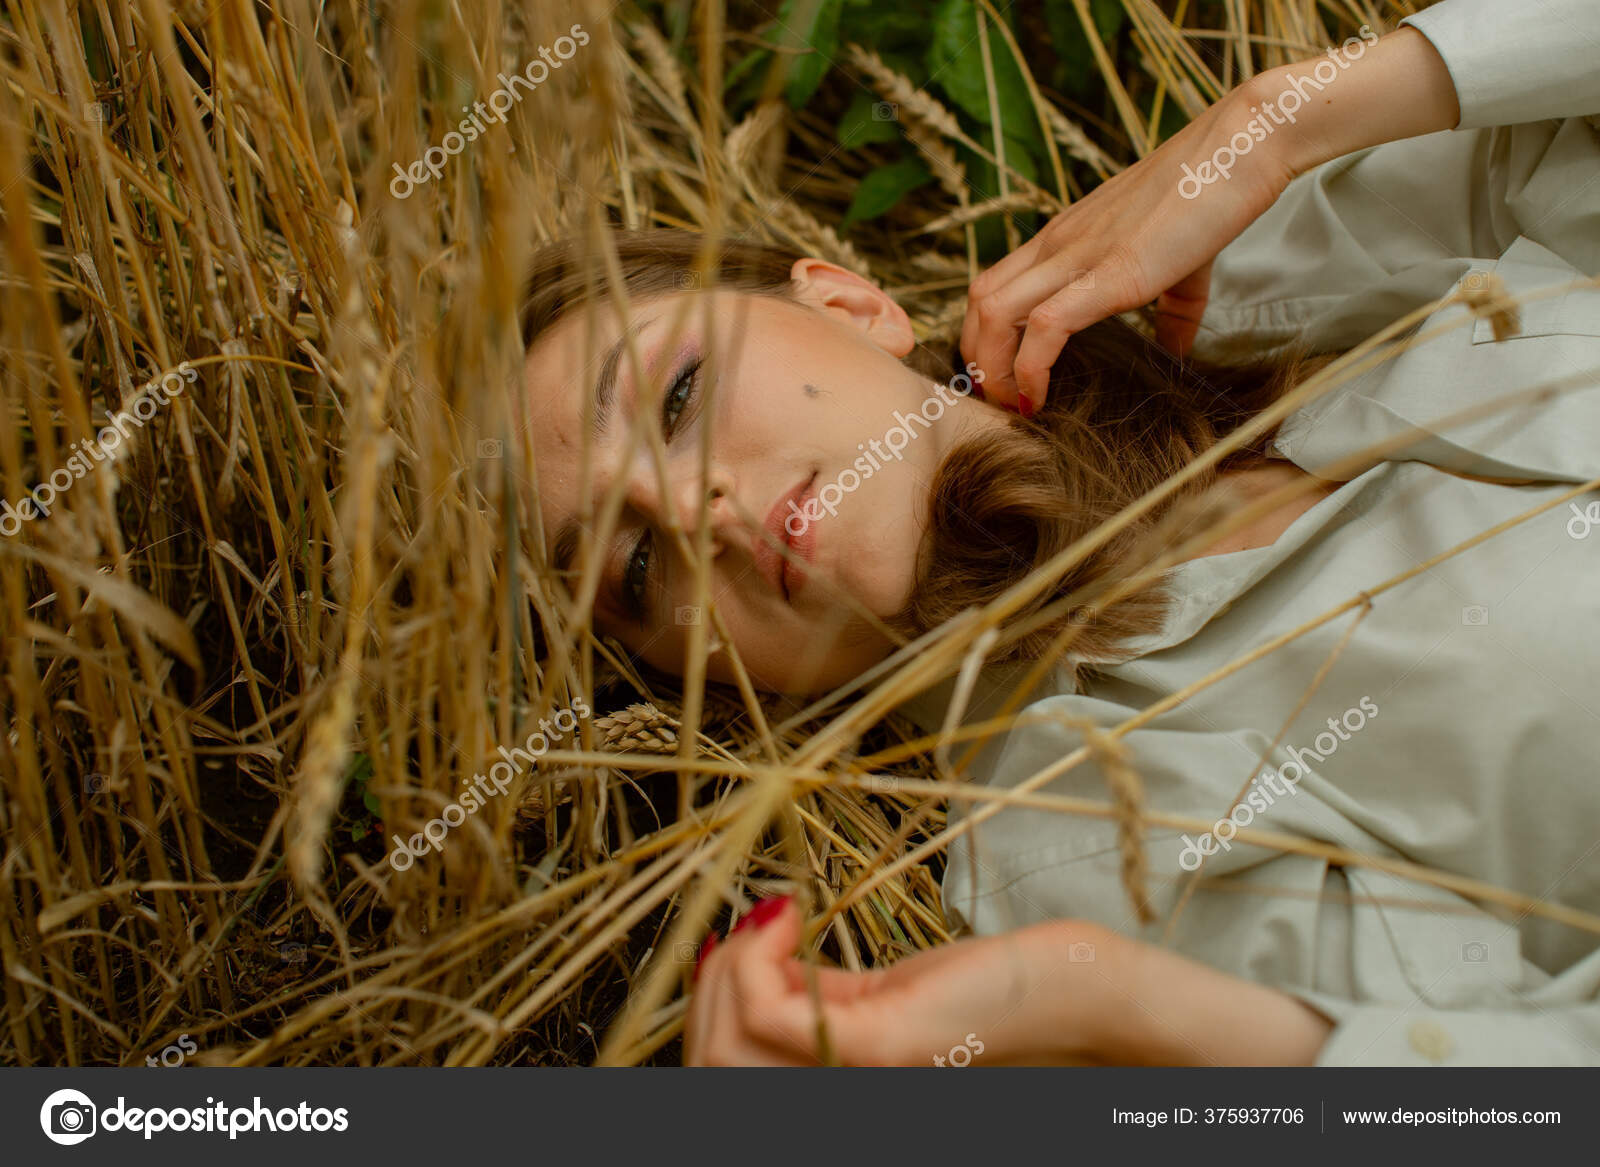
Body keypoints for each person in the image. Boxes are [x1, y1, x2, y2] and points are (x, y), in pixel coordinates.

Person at [521, 0, 1600, 1064]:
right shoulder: (1087, 826)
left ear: (846, 304)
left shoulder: (1258, 276)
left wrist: (1278, 121)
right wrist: (1118, 1009)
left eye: (677, 399)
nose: (688, 508)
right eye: (635, 565)